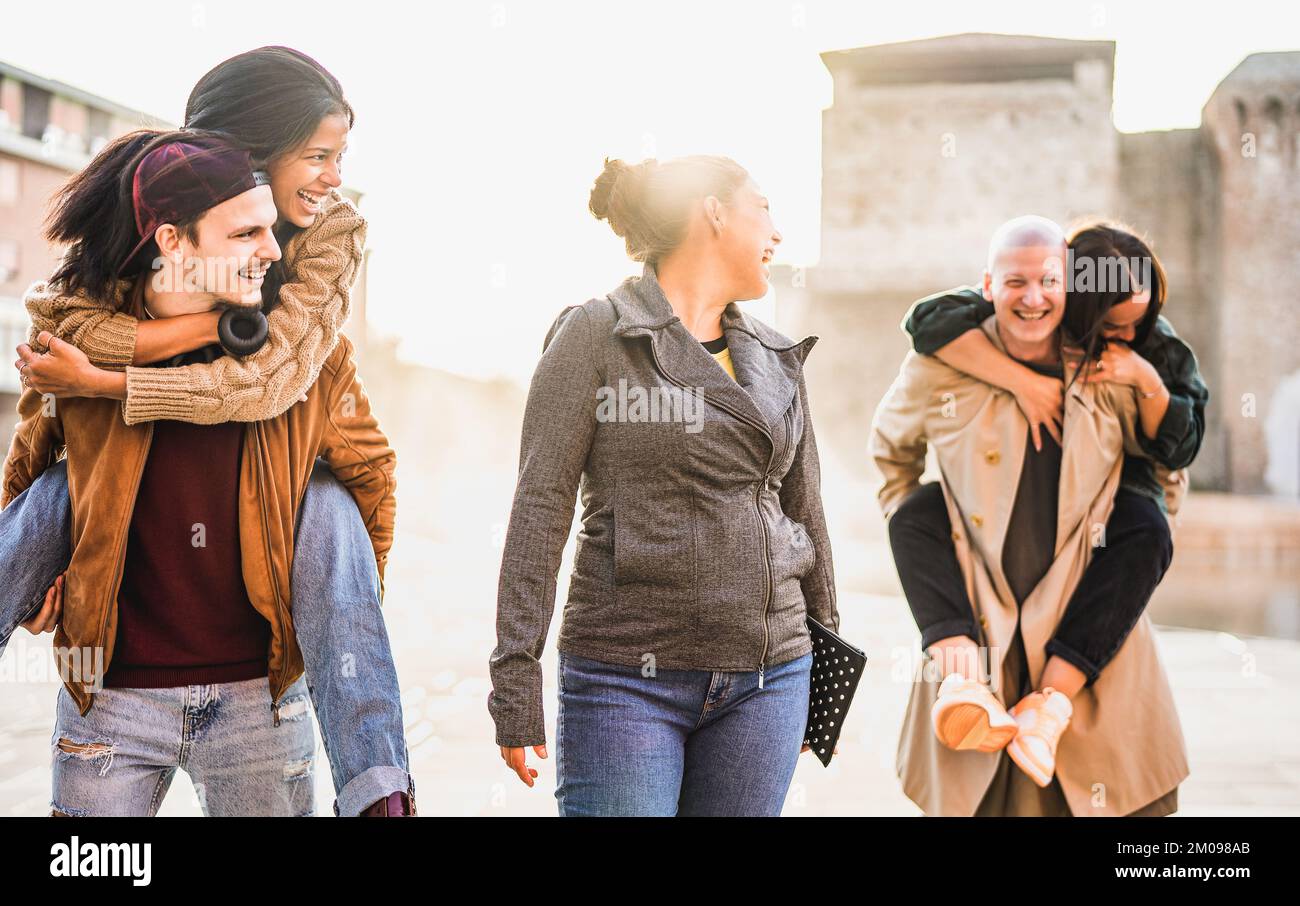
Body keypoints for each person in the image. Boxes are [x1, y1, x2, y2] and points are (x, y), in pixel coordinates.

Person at [3, 47, 413, 817]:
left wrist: (331, 609)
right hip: (114, 696)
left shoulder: (314, 332)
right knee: (61, 489)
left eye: (339, 158)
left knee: (325, 508)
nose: (332, 178)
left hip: (256, 697)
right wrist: (45, 580)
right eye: (318, 156)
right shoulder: (105, 299)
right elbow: (38, 431)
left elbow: (329, 436)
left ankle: (379, 789)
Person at [488, 155, 838, 816]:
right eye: (762, 208)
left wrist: (827, 686)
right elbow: (540, 507)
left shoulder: (778, 355)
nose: (777, 234)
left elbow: (804, 514)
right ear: (712, 211)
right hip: (626, 680)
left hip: (770, 677)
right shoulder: (596, 334)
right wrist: (516, 680)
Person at [872, 216, 1190, 816]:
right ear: (987, 286)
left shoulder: (1108, 363)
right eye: (1015, 282)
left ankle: (1054, 699)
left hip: (1087, 622)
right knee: (912, 513)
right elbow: (893, 458)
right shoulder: (938, 366)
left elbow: (1167, 467)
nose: (1034, 297)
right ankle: (966, 680)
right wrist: (931, 538)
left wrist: (1129, 558)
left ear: (1071, 287)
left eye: (1049, 281)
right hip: (978, 618)